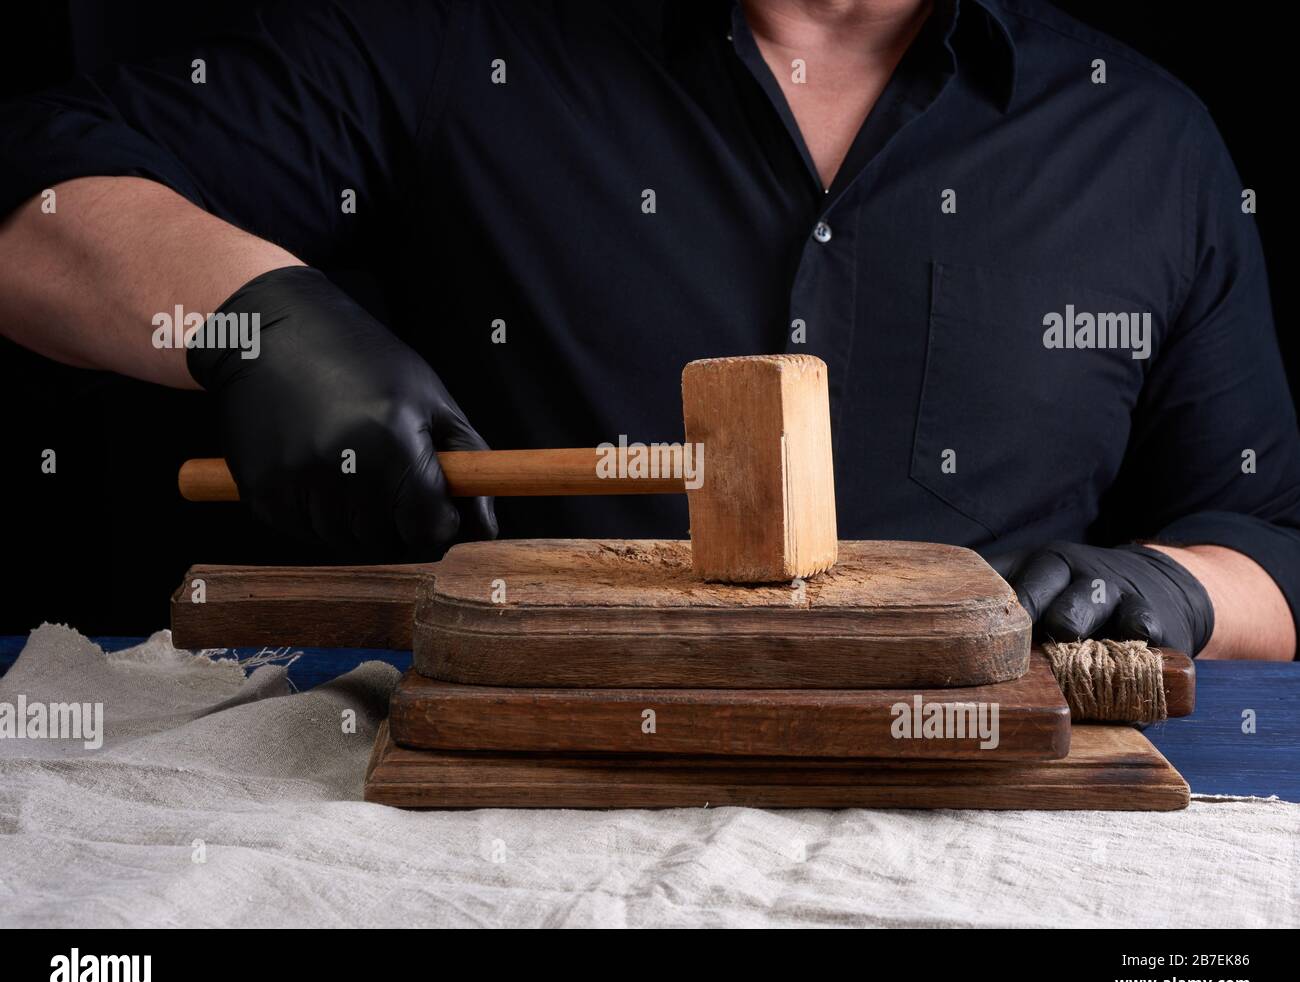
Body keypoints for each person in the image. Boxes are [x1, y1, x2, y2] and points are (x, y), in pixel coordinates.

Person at [1, 0, 1296, 659]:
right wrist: (254, 321)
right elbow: (32, 192)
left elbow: (1272, 545)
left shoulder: (1149, 139)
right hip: (505, 817)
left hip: (980, 828)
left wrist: (1175, 588)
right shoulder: (468, 42)